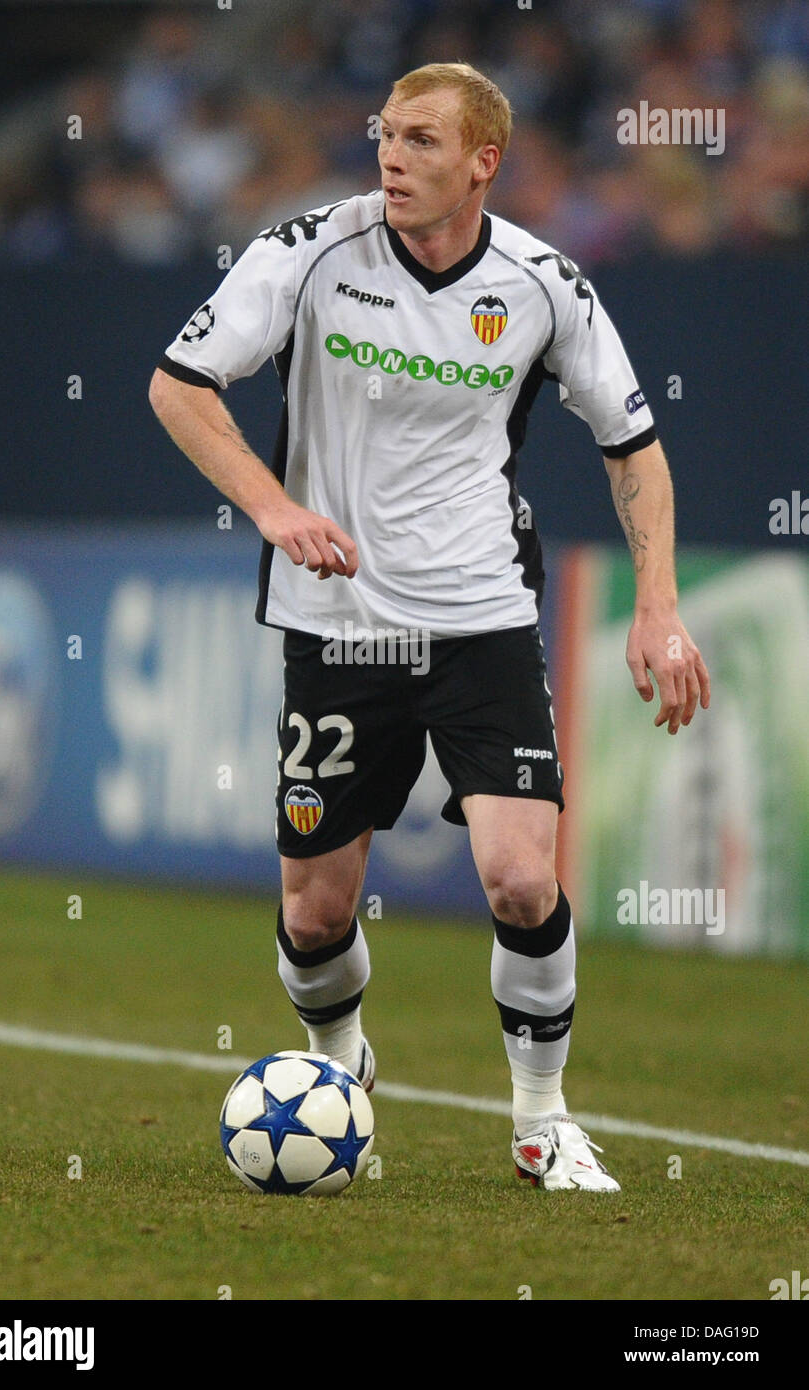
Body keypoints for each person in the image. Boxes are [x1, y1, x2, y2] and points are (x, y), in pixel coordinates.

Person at [149, 62, 711, 1192]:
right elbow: (178, 384)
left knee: (519, 880)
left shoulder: (545, 285)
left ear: (481, 160)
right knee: (314, 911)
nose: (389, 158)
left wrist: (657, 606)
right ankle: (337, 1065)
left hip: (479, 616)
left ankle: (541, 1121)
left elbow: (632, 446)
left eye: (416, 140)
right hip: (336, 623)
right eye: (382, 135)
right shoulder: (309, 252)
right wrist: (275, 509)